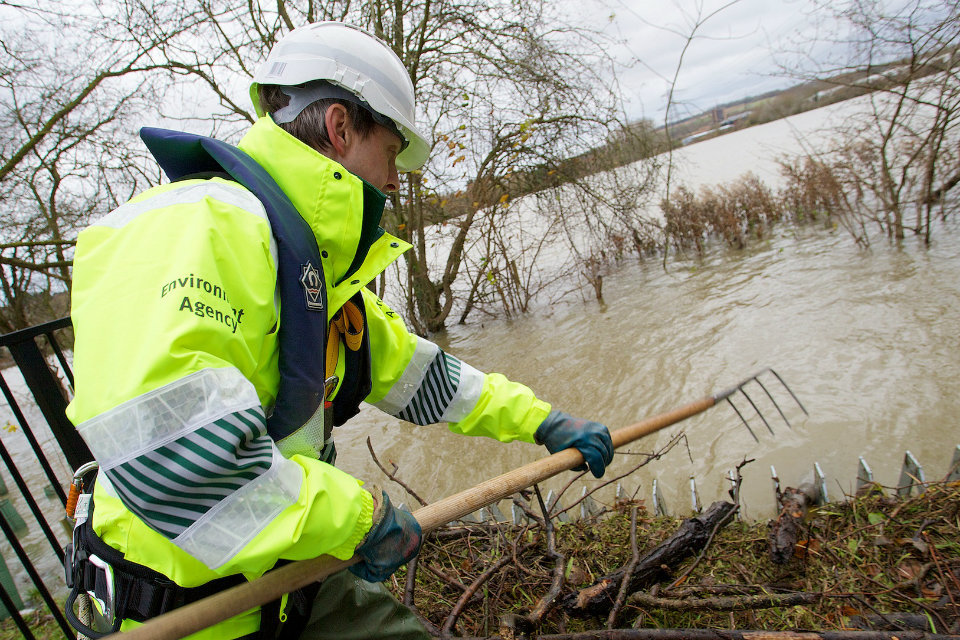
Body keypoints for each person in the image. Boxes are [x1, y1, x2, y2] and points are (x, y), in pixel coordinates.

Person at [64, 21, 614, 639]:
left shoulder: (313, 274)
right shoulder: (199, 228)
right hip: (186, 611)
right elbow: (180, 464)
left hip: (290, 578)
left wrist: (546, 423)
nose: (397, 180)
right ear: (341, 127)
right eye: (392, 150)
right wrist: (359, 518)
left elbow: (429, 378)